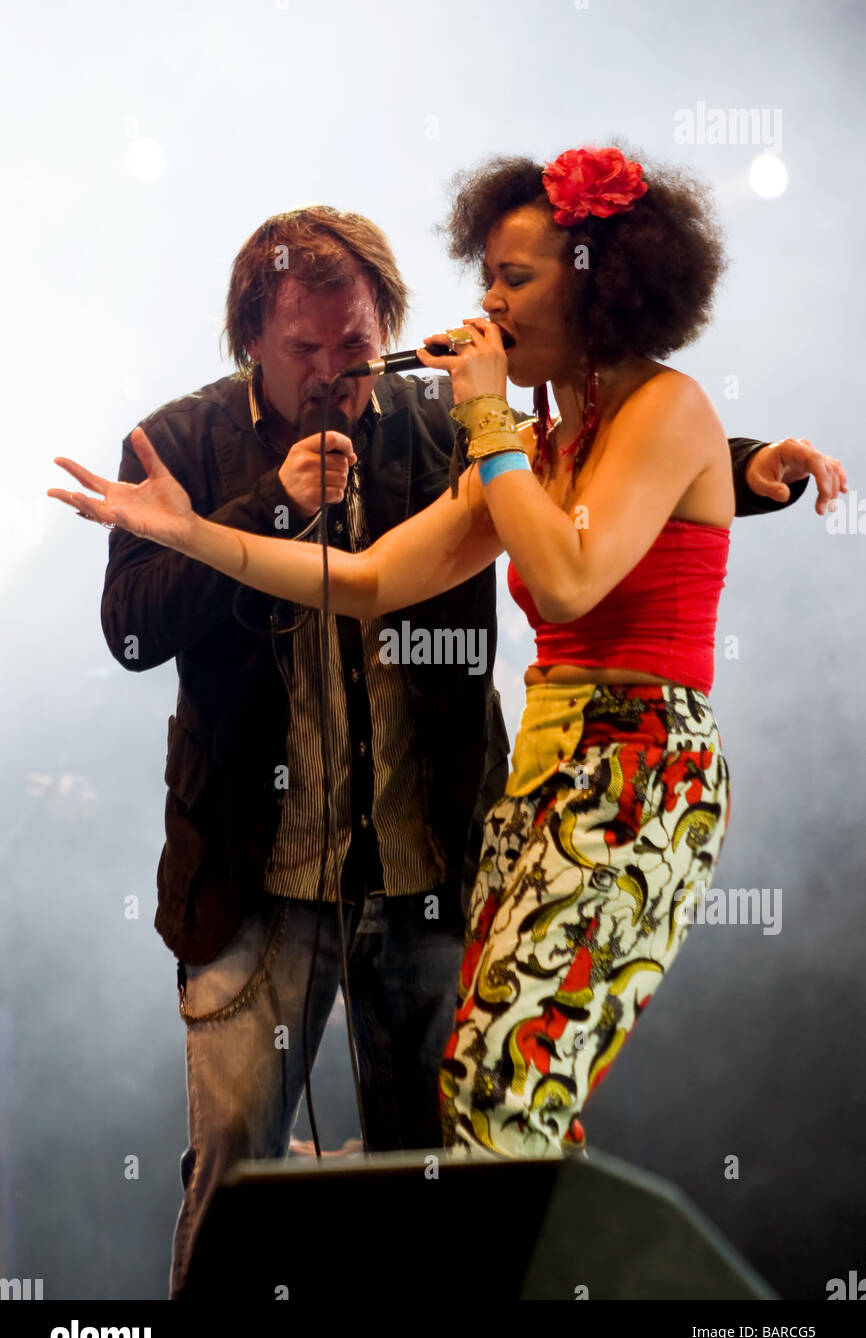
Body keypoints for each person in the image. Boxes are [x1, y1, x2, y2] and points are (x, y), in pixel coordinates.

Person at [48, 182, 843, 1276]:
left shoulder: (463, 427)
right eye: (303, 348)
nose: (333, 369)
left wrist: (737, 468)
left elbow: (593, 507)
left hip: (448, 851)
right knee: (279, 1155)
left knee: (468, 1139)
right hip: (265, 878)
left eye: (355, 344)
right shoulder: (186, 438)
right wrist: (248, 517)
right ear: (248, 343)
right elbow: (311, 593)